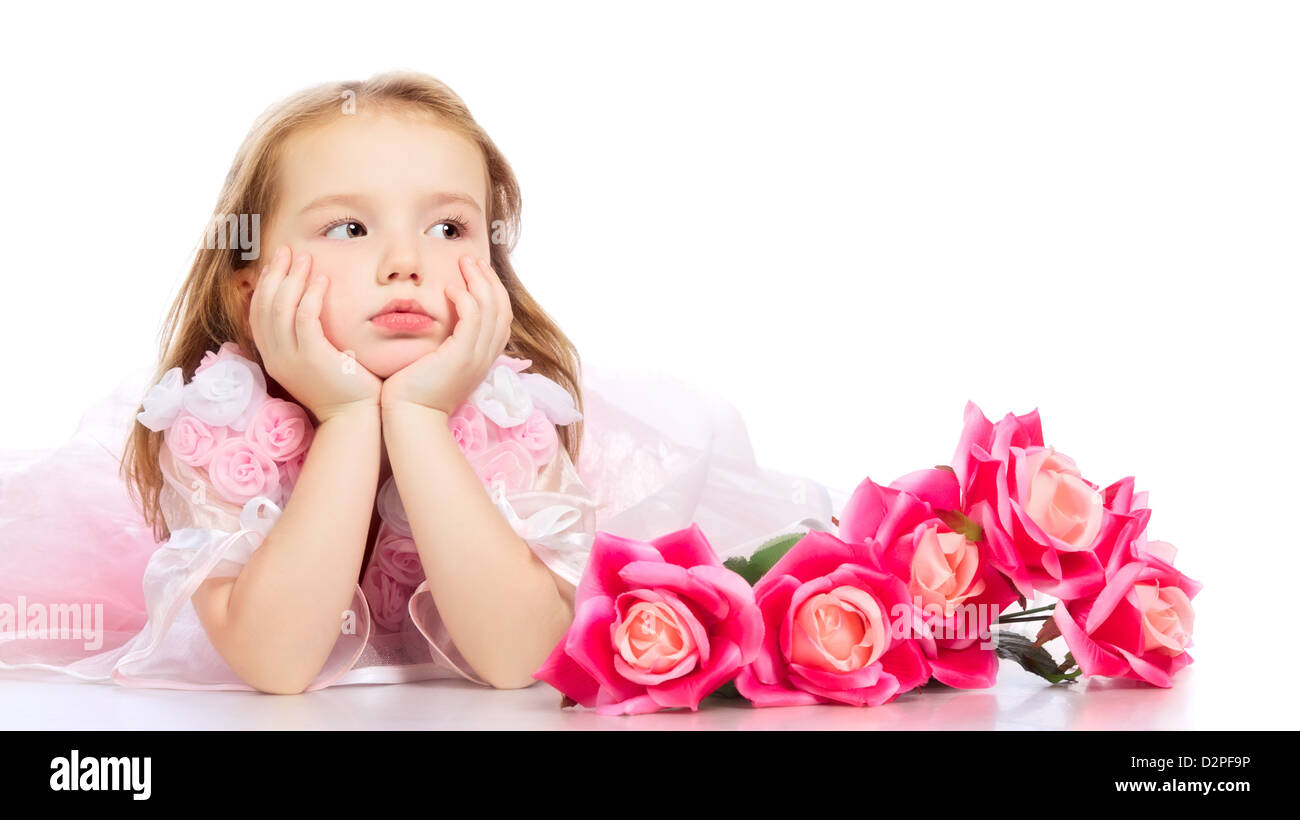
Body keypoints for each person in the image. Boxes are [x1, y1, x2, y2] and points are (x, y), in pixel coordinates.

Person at [0, 71, 839, 695]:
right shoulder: (222, 427)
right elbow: (280, 665)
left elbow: (517, 660)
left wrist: (420, 418)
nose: (407, 261)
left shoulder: (507, 420)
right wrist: (345, 414)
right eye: (350, 226)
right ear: (250, 285)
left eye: (448, 226)